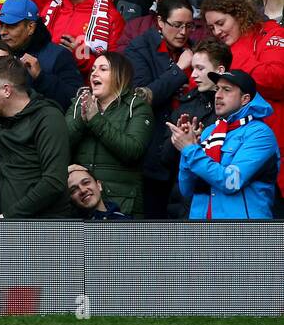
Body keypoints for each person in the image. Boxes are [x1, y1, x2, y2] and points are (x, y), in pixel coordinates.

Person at [0, 55, 72, 218]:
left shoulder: (48, 118)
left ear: (6, 90)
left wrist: (9, 217)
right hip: (6, 226)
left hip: (45, 229)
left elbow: (54, 182)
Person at [173, 69, 280, 220]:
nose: (218, 95)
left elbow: (231, 182)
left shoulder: (260, 134)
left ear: (245, 99)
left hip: (242, 233)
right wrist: (188, 145)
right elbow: (187, 189)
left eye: (227, 90)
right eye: (217, 89)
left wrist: (190, 150)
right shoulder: (209, 131)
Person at [66, 52, 153, 217]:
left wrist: (95, 120)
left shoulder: (136, 107)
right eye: (92, 70)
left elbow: (133, 151)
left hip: (122, 206)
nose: (94, 74)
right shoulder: (79, 103)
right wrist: (82, 119)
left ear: (120, 76)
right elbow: (60, 144)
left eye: (103, 69)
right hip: (81, 205)